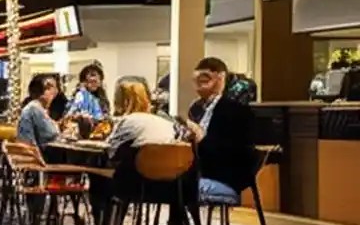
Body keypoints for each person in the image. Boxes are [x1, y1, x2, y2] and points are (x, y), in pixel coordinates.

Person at [186, 57, 256, 204]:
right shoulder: (196, 108)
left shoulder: (236, 111)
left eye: (205, 80)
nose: (200, 85)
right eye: (197, 81)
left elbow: (231, 154)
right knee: (170, 181)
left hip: (225, 179)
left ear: (220, 78)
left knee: (181, 187)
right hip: (201, 172)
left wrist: (201, 137)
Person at [104, 78, 184, 158]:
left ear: (125, 101)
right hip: (170, 168)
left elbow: (111, 151)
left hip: (134, 169)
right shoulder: (167, 124)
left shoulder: (127, 121)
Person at [16, 74, 61, 147]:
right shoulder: (34, 108)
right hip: (35, 155)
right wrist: (61, 128)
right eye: (53, 89)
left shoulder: (35, 107)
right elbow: (51, 134)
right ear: (44, 91)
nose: (56, 92)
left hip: (32, 153)